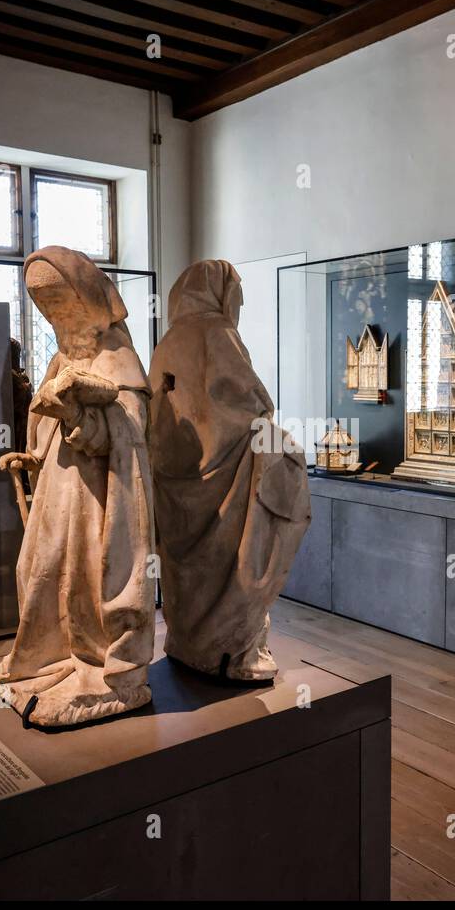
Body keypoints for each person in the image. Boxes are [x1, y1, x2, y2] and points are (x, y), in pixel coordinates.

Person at [0, 247, 155, 727]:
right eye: (47, 310)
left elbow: (129, 434)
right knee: (37, 570)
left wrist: (80, 416)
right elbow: (44, 417)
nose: (55, 318)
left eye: (61, 306)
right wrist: (36, 455)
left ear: (88, 301)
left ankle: (102, 669)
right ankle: (48, 657)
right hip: (56, 492)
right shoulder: (63, 355)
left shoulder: (118, 359)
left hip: (100, 499)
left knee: (88, 578)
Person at [148, 259, 311, 682]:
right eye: (235, 293)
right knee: (229, 560)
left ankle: (187, 640)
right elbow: (249, 402)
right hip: (226, 478)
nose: (236, 302)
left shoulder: (166, 342)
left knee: (187, 565)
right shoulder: (218, 333)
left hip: (175, 476)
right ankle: (224, 647)